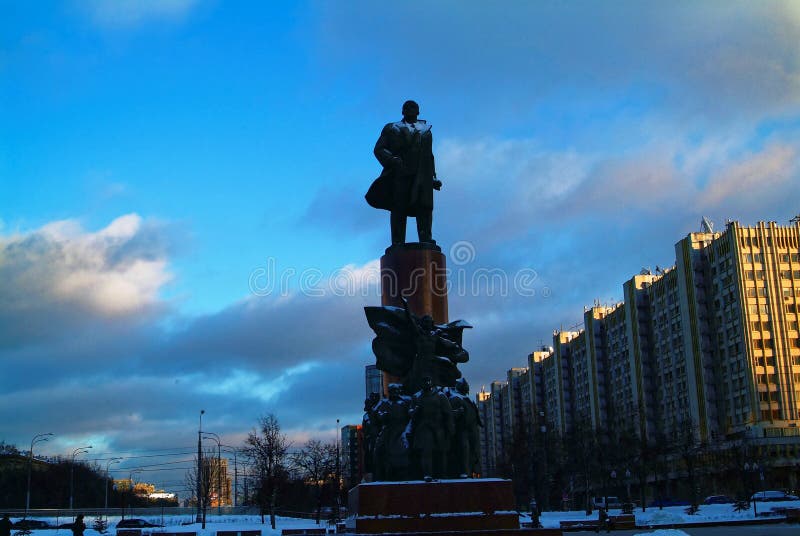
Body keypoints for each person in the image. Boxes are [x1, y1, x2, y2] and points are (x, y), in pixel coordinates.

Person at [366, 100, 441, 245]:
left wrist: (433, 178)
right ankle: (398, 242)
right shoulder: (392, 128)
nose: (410, 109)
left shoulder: (426, 131)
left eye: (413, 107)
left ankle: (425, 239)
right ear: (402, 111)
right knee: (398, 208)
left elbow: (429, 156)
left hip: (421, 175)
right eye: (406, 107)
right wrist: (392, 160)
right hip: (400, 174)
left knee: (424, 207)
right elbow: (379, 149)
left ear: (418, 111)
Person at [409, 376, 454, 480]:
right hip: (424, 427)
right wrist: (414, 411)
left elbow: (448, 413)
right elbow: (410, 412)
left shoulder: (440, 396)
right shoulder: (417, 396)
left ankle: (443, 474)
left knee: (441, 451)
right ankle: (427, 474)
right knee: (426, 450)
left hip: (439, 427)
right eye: (424, 381)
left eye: (429, 381)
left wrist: (450, 428)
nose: (427, 383)